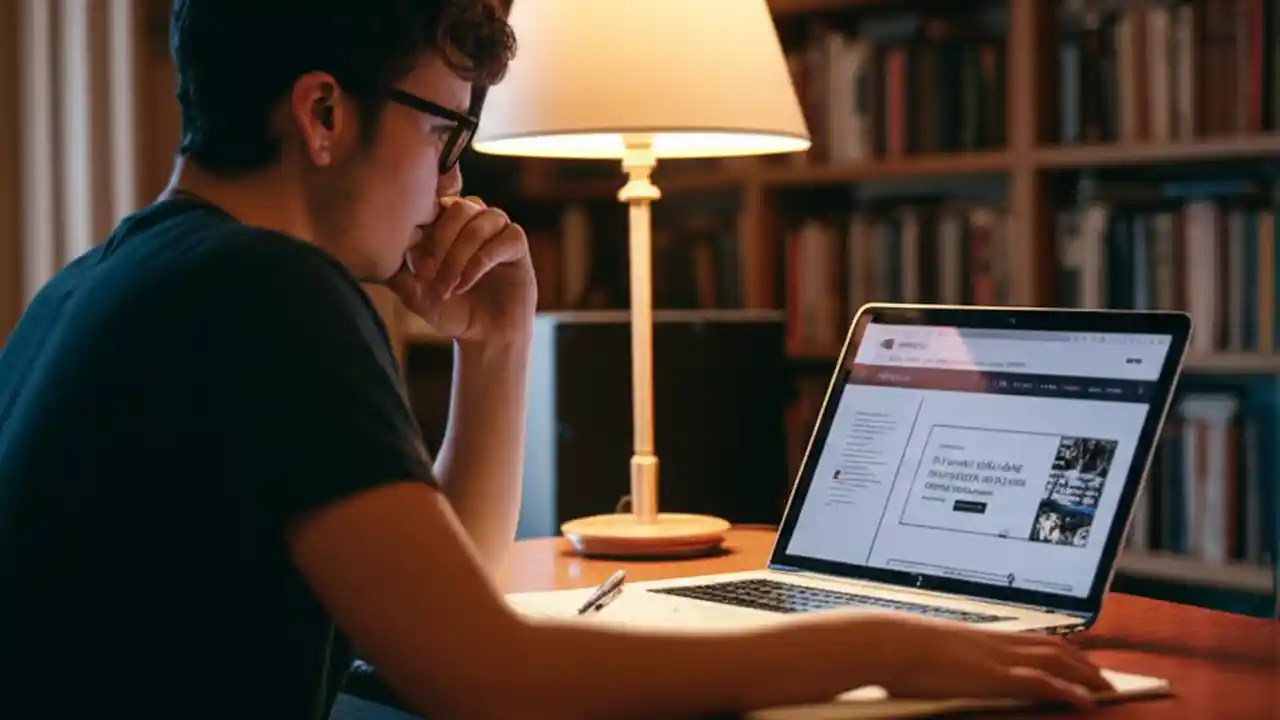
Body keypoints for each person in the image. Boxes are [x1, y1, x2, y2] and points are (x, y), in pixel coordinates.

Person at [0, 1, 1110, 718]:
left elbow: (449, 611)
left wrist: (496, 349)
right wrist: (873, 649)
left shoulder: (96, 284)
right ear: (324, 112)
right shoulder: (268, 293)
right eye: (444, 133)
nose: (448, 184)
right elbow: (490, 681)